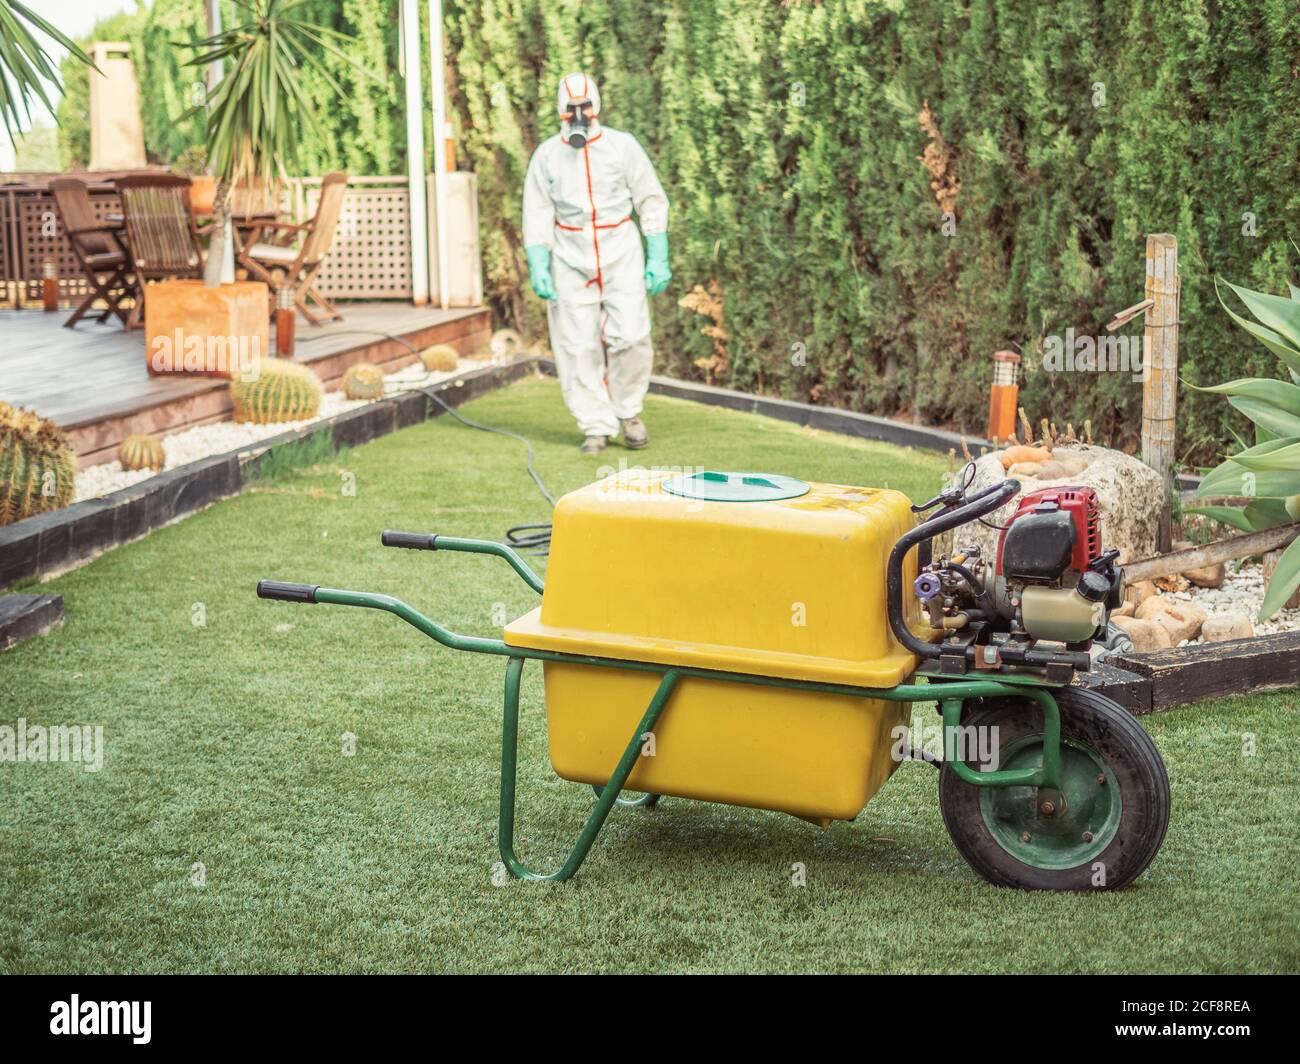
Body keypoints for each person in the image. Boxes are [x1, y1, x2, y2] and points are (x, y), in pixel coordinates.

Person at [522, 73, 671, 454]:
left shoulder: (623, 147)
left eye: (584, 107)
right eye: (570, 109)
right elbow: (537, 211)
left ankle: (628, 411)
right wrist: (539, 262)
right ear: (559, 111)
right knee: (576, 343)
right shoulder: (547, 155)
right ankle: (595, 424)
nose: (578, 115)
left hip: (618, 245)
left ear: (597, 106)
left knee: (633, 334)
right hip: (570, 251)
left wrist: (658, 253)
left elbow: (650, 198)